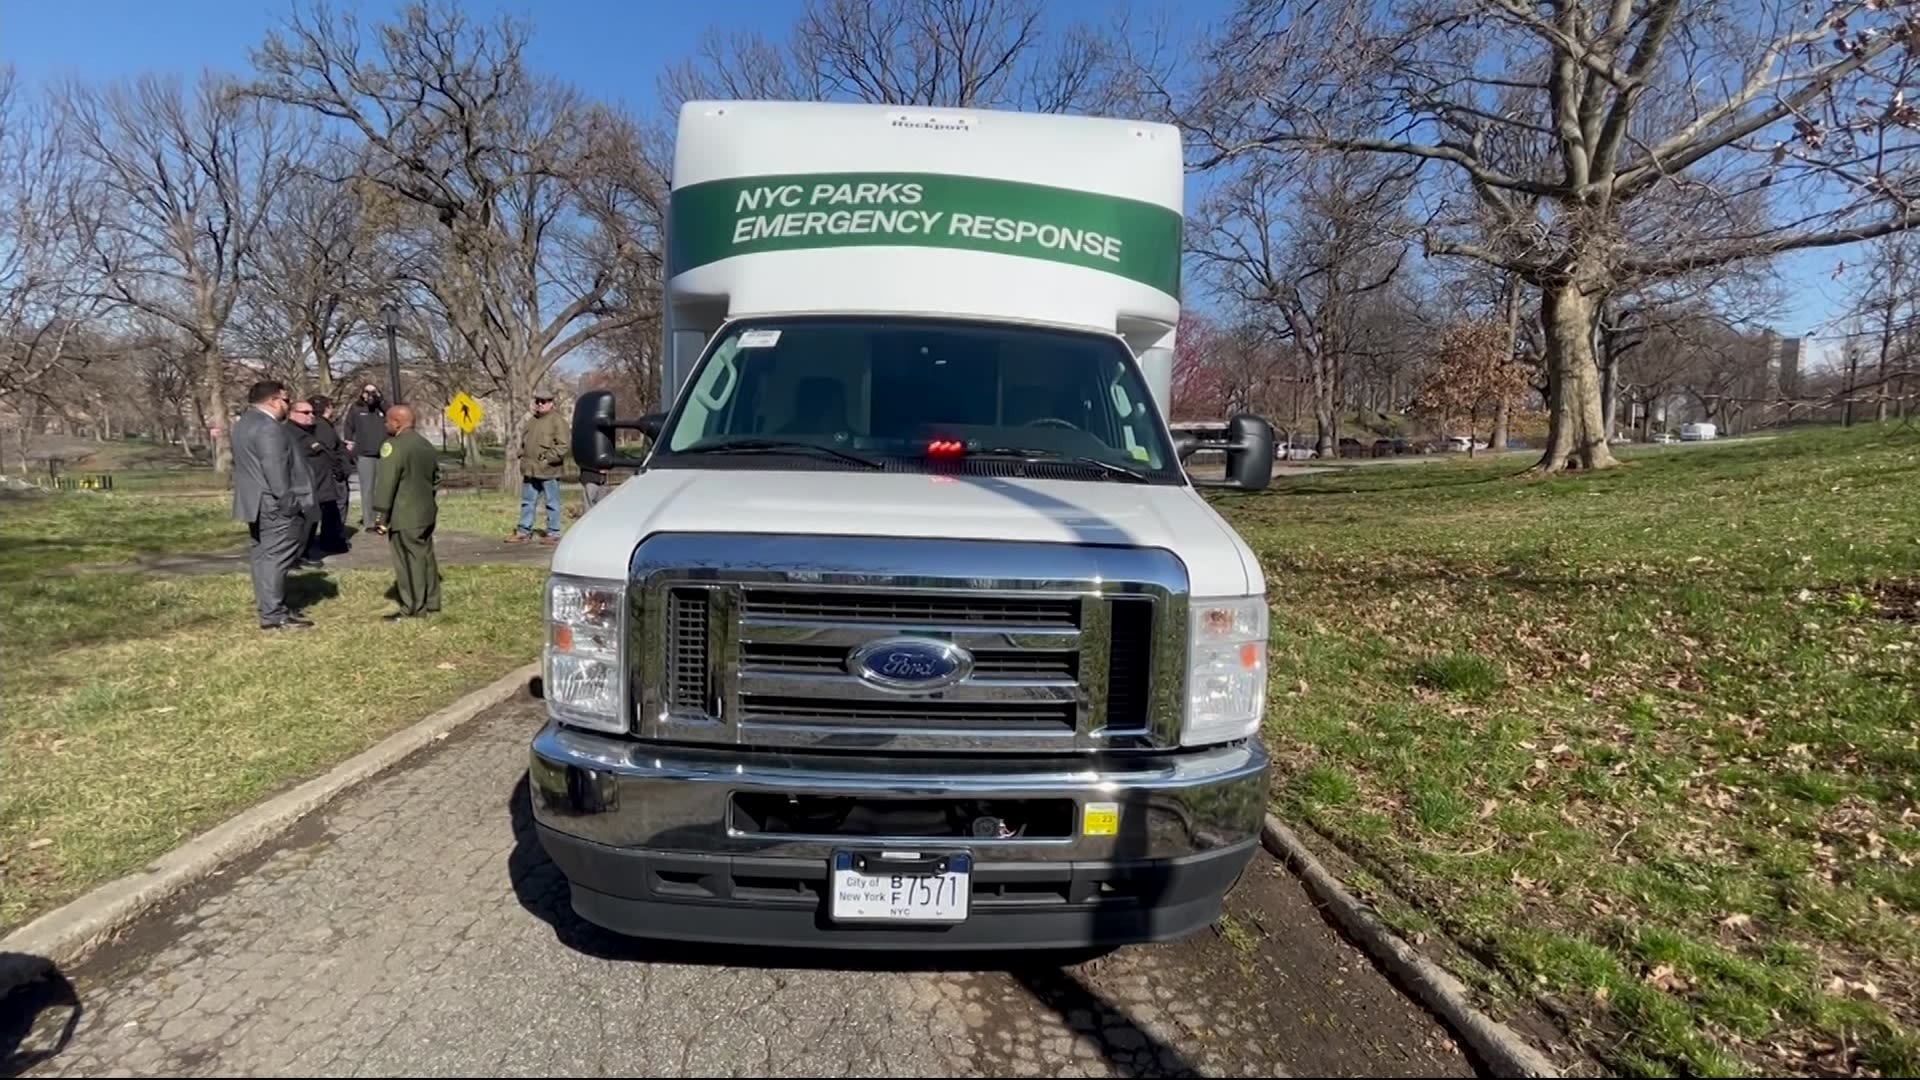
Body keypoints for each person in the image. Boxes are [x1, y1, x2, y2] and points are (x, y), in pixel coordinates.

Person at [231, 379, 316, 631]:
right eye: (286, 400)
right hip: (274, 504)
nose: (287, 406)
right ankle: (273, 614)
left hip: (255, 502)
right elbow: (275, 468)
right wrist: (288, 502)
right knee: (275, 558)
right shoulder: (269, 428)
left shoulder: (243, 424)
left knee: (263, 557)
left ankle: (269, 608)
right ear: (272, 401)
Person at [371, 403, 441, 620]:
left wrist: (381, 516)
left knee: (408, 561)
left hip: (404, 514)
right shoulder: (425, 445)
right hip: (426, 511)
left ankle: (412, 608)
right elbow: (436, 478)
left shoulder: (394, 446)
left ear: (397, 423)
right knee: (425, 557)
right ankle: (431, 602)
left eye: (387, 421)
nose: (385, 425)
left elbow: (386, 484)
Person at [290, 395, 350, 557]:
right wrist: (338, 469)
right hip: (311, 482)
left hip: (321, 481)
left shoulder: (310, 429)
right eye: (306, 412)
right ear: (292, 413)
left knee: (316, 517)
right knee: (312, 519)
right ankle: (300, 555)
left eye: (311, 412)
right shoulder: (293, 432)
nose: (311, 415)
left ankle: (304, 553)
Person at [507, 389, 567, 544]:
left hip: (549, 471)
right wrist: (521, 452)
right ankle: (523, 531)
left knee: (551, 503)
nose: (540, 404)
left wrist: (547, 459)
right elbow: (524, 442)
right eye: (537, 401)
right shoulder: (531, 421)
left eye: (544, 401)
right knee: (528, 501)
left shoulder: (557, 421)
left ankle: (553, 533)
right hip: (530, 469)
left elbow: (563, 446)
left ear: (551, 403)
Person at [341, 383, 388, 532]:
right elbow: (348, 427)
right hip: (364, 454)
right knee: (367, 490)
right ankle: (369, 522)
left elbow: (392, 414)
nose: (370, 395)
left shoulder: (383, 408)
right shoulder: (356, 409)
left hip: (383, 453)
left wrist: (380, 400)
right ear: (362, 393)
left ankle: (383, 520)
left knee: (383, 488)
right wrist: (350, 444)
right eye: (367, 392)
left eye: (373, 391)